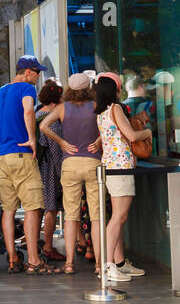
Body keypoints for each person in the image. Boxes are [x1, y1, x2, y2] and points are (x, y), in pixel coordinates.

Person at [0, 55, 56, 274]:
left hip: (4, 157)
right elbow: (29, 110)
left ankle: (13, 257)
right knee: (33, 208)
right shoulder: (26, 88)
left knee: (9, 210)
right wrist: (32, 138)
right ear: (28, 72)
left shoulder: (1, 91)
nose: (39, 76)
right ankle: (33, 260)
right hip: (22, 155)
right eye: (37, 72)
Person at [40, 73, 103, 274]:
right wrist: (99, 141)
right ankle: (100, 264)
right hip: (93, 162)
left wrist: (61, 142)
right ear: (88, 87)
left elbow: (43, 126)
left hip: (70, 163)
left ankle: (69, 263)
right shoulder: (96, 106)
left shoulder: (61, 108)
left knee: (70, 216)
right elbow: (111, 126)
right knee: (96, 216)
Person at [94, 74, 151, 283]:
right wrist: (147, 133)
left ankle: (117, 263)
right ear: (115, 91)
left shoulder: (101, 113)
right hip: (121, 166)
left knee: (117, 216)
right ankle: (108, 264)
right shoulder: (115, 109)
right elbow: (132, 136)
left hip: (110, 165)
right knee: (119, 217)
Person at [35, 78, 65, 263]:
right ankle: (48, 246)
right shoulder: (52, 121)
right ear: (56, 99)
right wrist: (62, 174)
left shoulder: (37, 112)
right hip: (49, 168)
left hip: (36, 165)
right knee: (51, 208)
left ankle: (36, 242)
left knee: (38, 207)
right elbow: (55, 150)